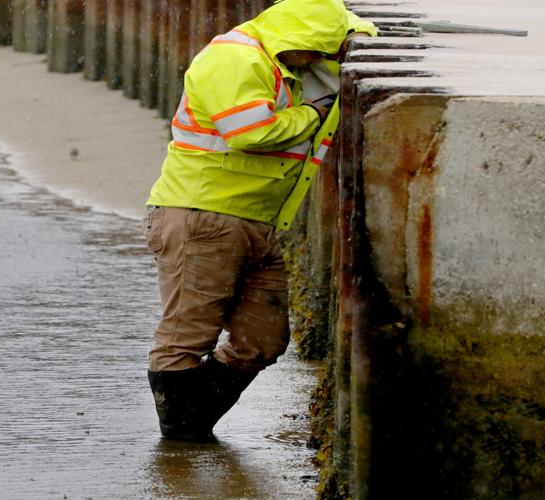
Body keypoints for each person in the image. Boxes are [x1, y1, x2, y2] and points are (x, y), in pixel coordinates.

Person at [143, 0, 378, 440]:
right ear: (293, 39)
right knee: (186, 338)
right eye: (313, 51)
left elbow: (344, 22)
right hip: (202, 216)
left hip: (259, 221)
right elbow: (249, 133)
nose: (315, 61)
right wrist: (312, 114)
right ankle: (181, 442)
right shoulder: (234, 58)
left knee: (264, 339)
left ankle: (193, 426)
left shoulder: (290, 49)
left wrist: (353, 34)